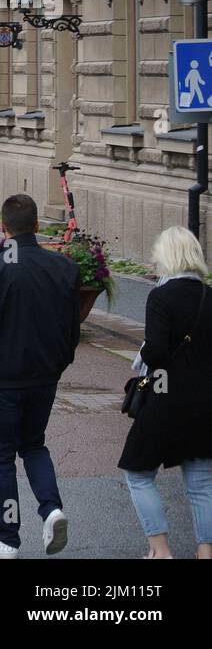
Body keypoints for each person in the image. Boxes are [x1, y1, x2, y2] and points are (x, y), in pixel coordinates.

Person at [0, 194, 81, 560]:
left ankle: (7, 536)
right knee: (34, 445)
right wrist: (59, 363)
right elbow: (72, 329)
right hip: (44, 377)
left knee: (1, 455)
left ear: (3, 228)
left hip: (3, 380)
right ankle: (51, 510)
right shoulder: (63, 268)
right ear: (38, 225)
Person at [118, 226, 212, 560]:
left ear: (167, 257)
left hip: (167, 397)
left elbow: (156, 352)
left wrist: (145, 353)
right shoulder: (208, 295)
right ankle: (205, 551)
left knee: (138, 471)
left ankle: (160, 551)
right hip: (206, 402)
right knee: (201, 481)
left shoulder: (161, 296)